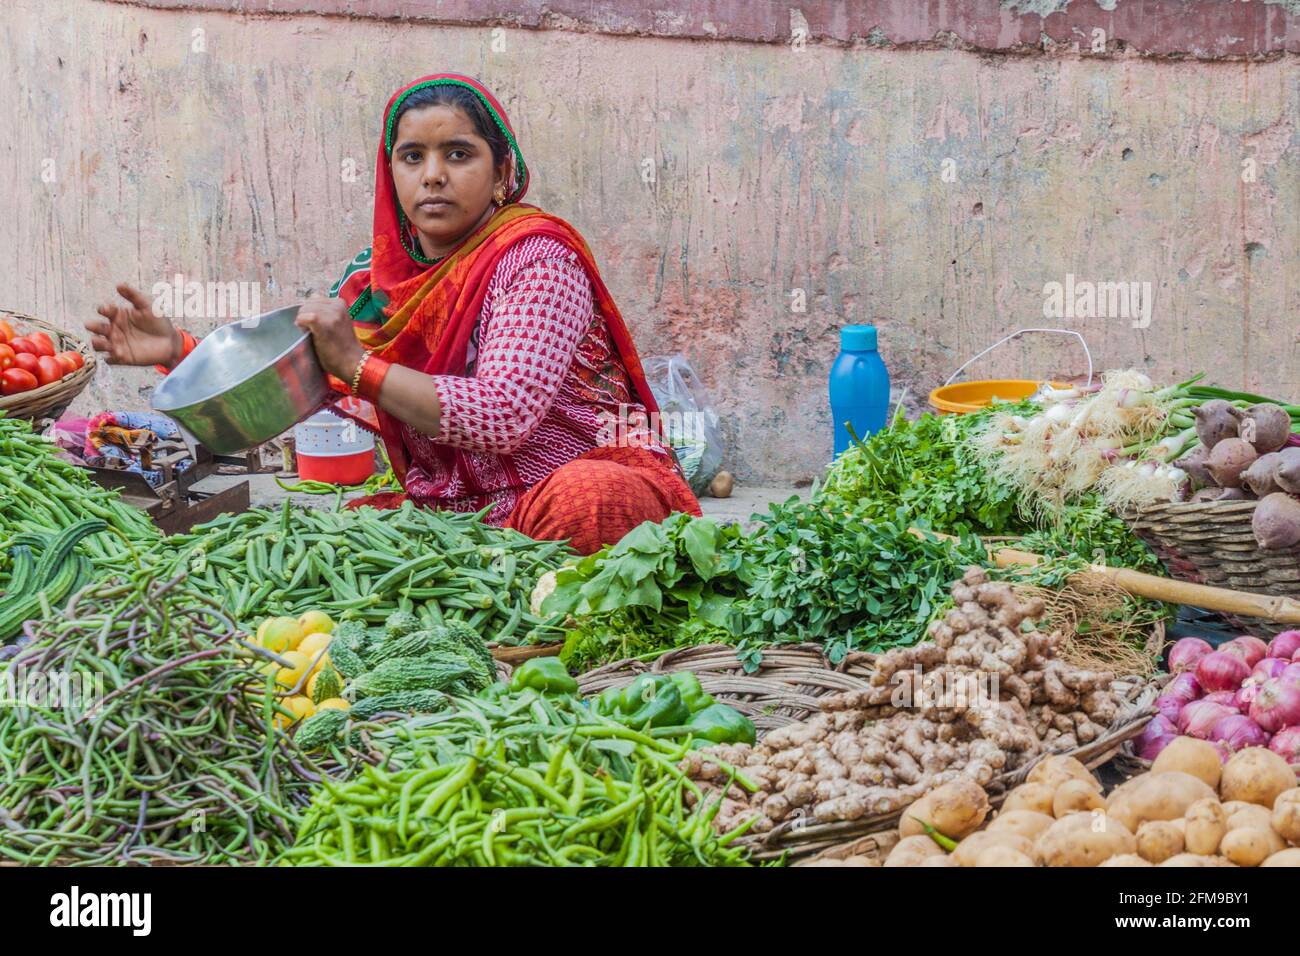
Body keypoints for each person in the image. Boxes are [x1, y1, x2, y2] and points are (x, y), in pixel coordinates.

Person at [86, 73, 701, 554]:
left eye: (459, 154)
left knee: (595, 502)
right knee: (335, 537)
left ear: (501, 173)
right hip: (456, 510)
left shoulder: (535, 257)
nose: (433, 176)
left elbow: (505, 416)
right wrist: (178, 351)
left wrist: (358, 366)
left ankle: (495, 566)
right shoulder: (377, 283)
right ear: (391, 173)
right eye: (412, 157)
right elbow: (297, 379)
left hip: (559, 486)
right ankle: (476, 568)